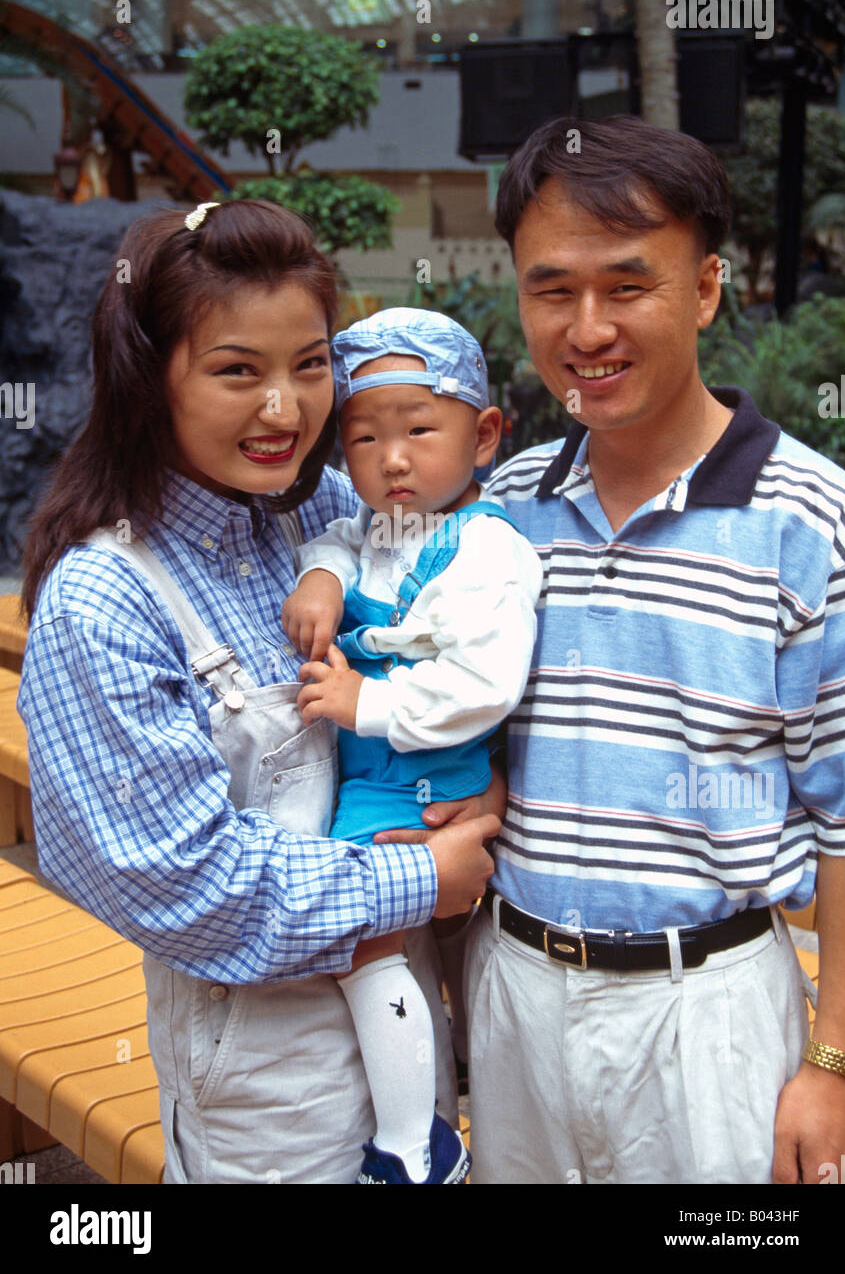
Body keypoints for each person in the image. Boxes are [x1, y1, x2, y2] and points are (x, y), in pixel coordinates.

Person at [15, 199, 501, 1184]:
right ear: (154, 377)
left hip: (412, 1008)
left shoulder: (319, 511)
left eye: (311, 365)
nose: (286, 409)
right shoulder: (103, 599)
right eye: (239, 370)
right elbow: (179, 877)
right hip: (267, 1079)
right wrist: (424, 875)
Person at [463, 115, 845, 1185]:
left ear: (708, 289)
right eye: (553, 289)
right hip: (517, 1000)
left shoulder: (810, 520)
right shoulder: (498, 511)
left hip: (712, 1016)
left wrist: (832, 1061)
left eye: (628, 285)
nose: (588, 329)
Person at [282, 307, 542, 1183]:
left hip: (425, 772)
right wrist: (321, 574)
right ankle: (436, 1118)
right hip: (380, 772)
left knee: (367, 941)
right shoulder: (377, 529)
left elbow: (482, 686)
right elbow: (337, 540)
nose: (391, 460)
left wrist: (368, 700)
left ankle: (412, 1145)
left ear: (484, 436)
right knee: (407, 949)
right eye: (361, 439)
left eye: (419, 431)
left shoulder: (487, 549)